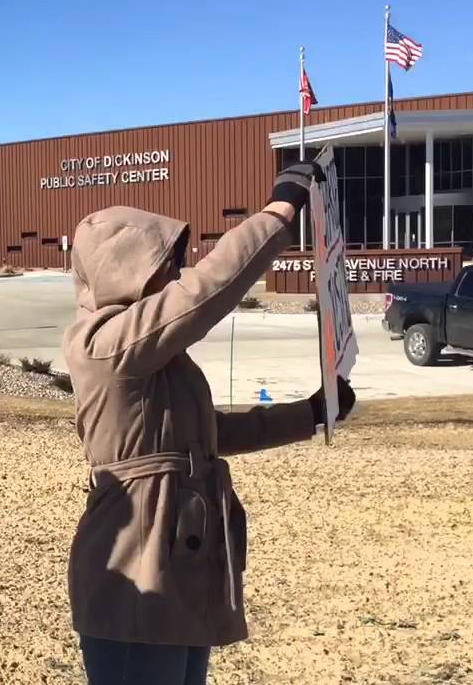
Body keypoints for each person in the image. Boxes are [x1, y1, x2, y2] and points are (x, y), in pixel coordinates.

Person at [61, 162, 356, 685]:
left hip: (181, 560)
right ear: (122, 268)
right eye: (162, 265)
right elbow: (203, 293)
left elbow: (206, 437)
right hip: (138, 566)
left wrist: (309, 415)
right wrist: (279, 213)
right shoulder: (103, 347)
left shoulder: (154, 358)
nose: (174, 275)